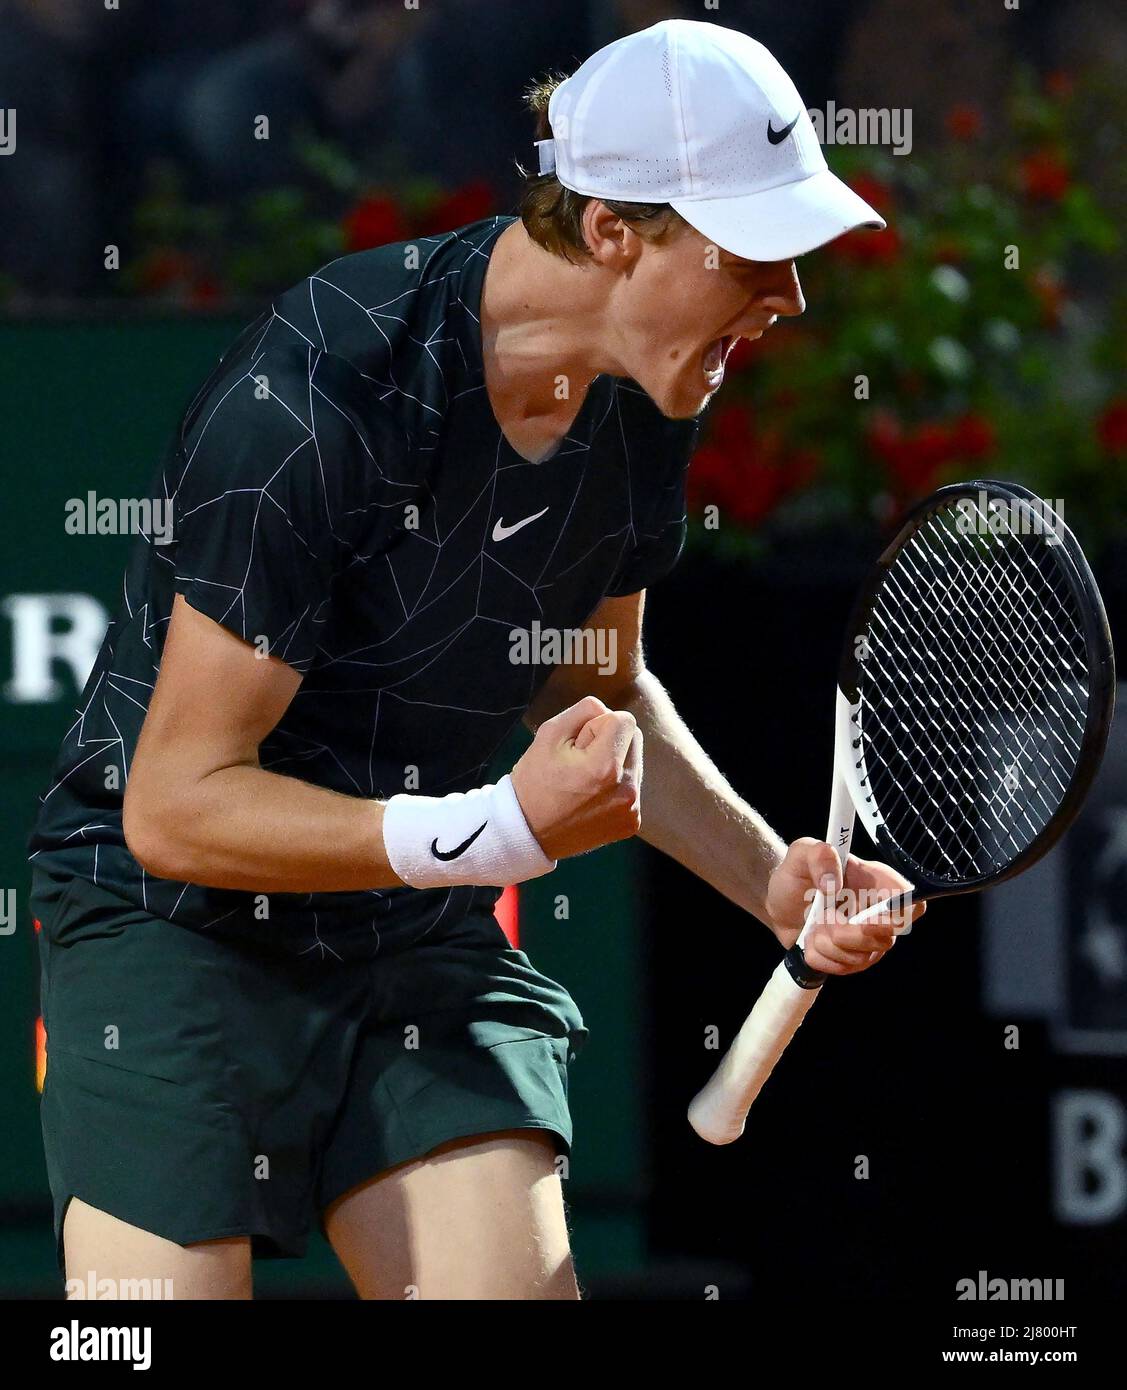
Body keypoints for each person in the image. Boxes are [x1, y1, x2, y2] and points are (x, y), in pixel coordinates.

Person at [29, 20, 921, 1301]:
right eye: (753, 252)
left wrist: (769, 879)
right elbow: (173, 808)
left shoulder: (643, 391)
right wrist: (493, 828)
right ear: (612, 229)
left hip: (407, 937)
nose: (787, 298)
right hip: (170, 925)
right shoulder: (319, 390)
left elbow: (596, 687)